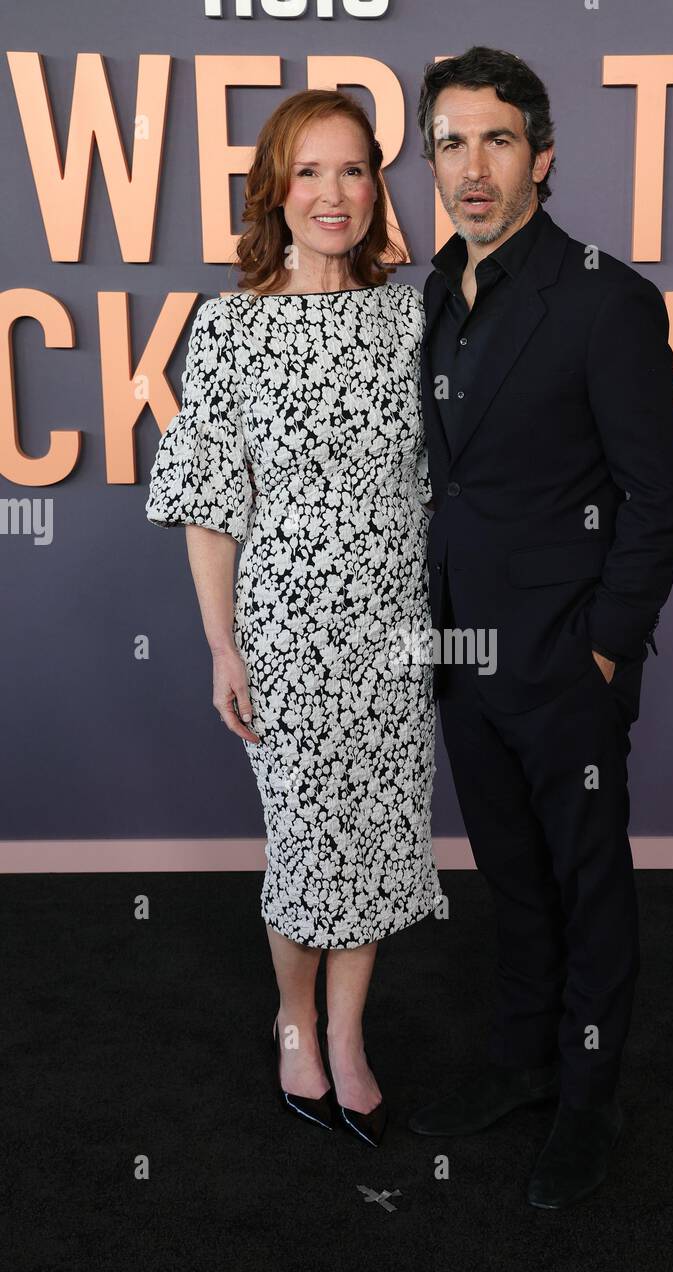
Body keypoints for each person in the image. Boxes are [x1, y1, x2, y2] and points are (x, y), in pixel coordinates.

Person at [408, 47, 673, 1207]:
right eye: (448, 143)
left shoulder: (604, 300)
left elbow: (658, 495)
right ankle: (520, 1064)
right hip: (459, 655)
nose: (470, 169)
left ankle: (587, 1103)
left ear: (542, 156)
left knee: (585, 887)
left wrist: (603, 645)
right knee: (512, 881)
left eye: (495, 141)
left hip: (563, 662)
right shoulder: (433, 291)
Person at [145, 89, 442, 1149]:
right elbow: (210, 504)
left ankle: (348, 1037)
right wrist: (222, 645)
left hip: (398, 637)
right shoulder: (230, 327)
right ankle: (294, 1021)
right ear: (275, 187)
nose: (333, 193)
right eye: (309, 172)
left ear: (376, 185)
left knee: (377, 842)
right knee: (309, 848)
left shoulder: (415, 316)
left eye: (353, 170)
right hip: (287, 639)